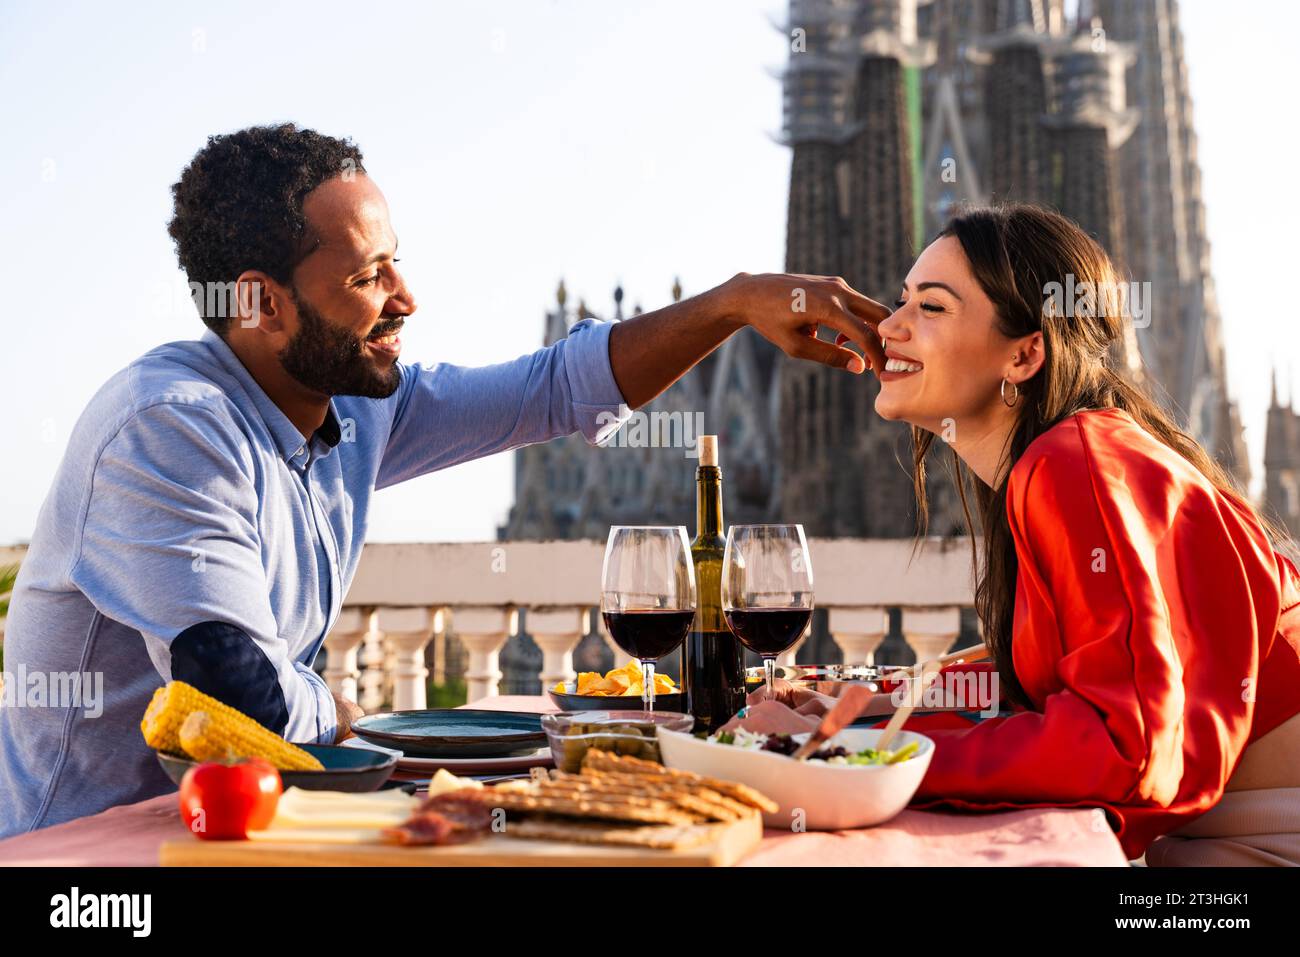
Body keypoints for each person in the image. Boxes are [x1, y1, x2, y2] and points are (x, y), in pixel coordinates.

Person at [0, 123, 888, 838]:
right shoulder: (167, 430)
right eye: (367, 275)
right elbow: (240, 695)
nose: (406, 296)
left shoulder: (349, 405)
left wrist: (734, 302)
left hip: (241, 825)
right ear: (262, 303)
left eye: (395, 261)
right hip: (93, 852)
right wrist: (337, 703)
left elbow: (558, 388)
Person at [849, 202, 1300, 865]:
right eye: (901, 301)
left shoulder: (1073, 461)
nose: (889, 325)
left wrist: (871, 758)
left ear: (1026, 352)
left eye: (932, 307)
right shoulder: (1062, 460)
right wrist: (860, 714)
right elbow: (1055, 701)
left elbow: (1125, 747)